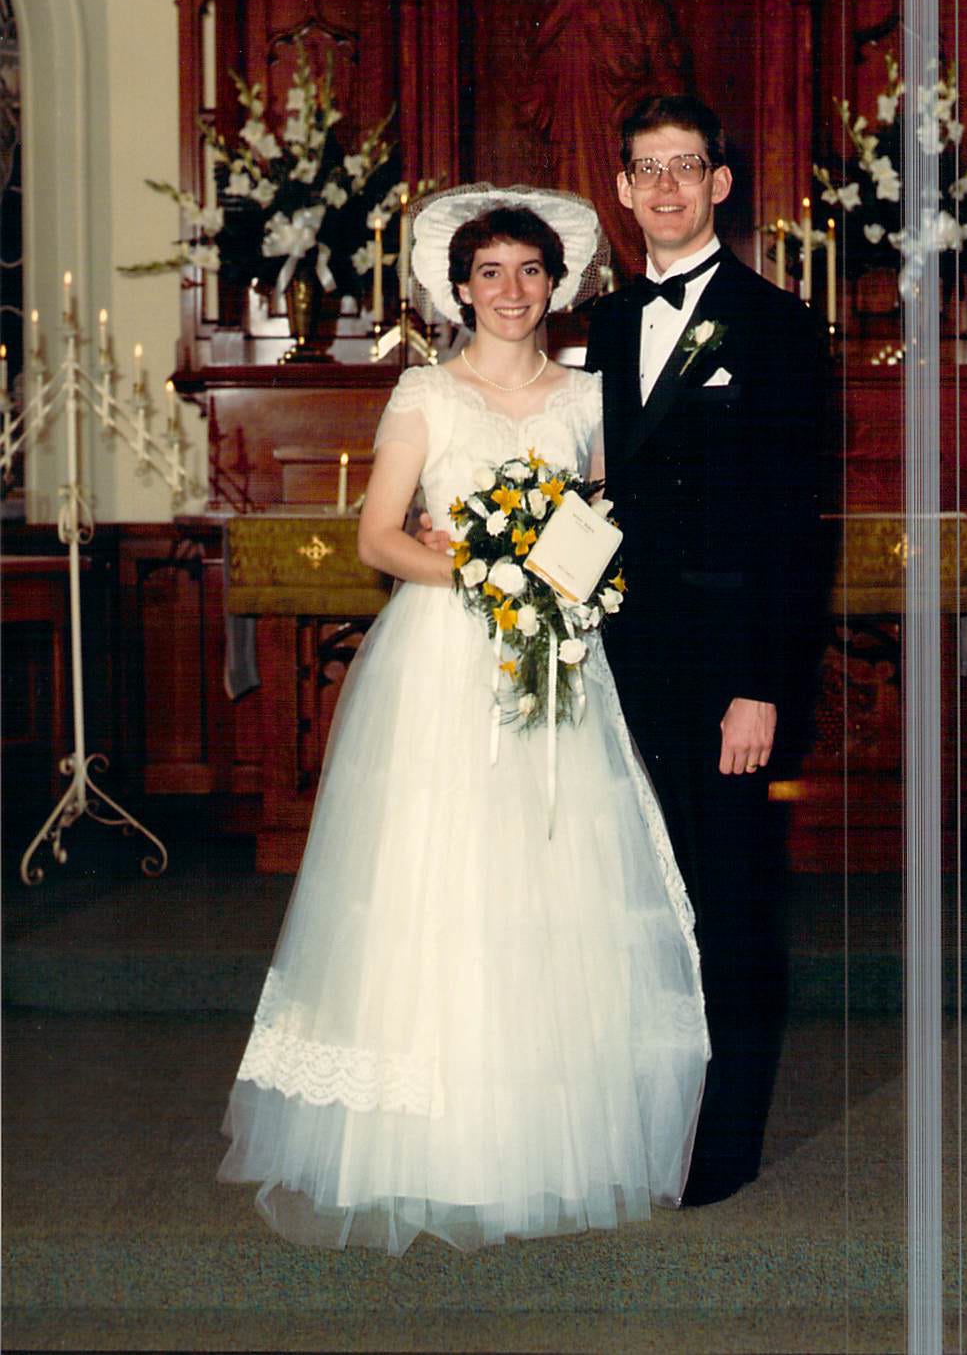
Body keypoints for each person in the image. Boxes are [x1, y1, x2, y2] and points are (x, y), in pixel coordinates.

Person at [218, 185, 709, 1256]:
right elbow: (377, 538)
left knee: (550, 870)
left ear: (558, 283)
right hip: (443, 657)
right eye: (490, 273)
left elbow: (602, 520)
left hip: (553, 660)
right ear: (459, 288)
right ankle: (432, 1143)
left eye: (529, 271)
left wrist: (555, 577)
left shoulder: (588, 395)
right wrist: (480, 570)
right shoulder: (424, 395)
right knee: (440, 879)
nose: (512, 291)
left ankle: (544, 1129)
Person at [585, 96, 829, 1206]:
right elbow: (593, 494)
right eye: (648, 170)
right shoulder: (596, 324)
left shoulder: (778, 326)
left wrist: (759, 689)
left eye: (689, 166)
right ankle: (637, 1120)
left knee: (727, 896)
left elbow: (794, 523)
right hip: (618, 663)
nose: (670, 187)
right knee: (632, 895)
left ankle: (718, 1149)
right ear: (623, 190)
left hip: (725, 670)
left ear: (721, 182)